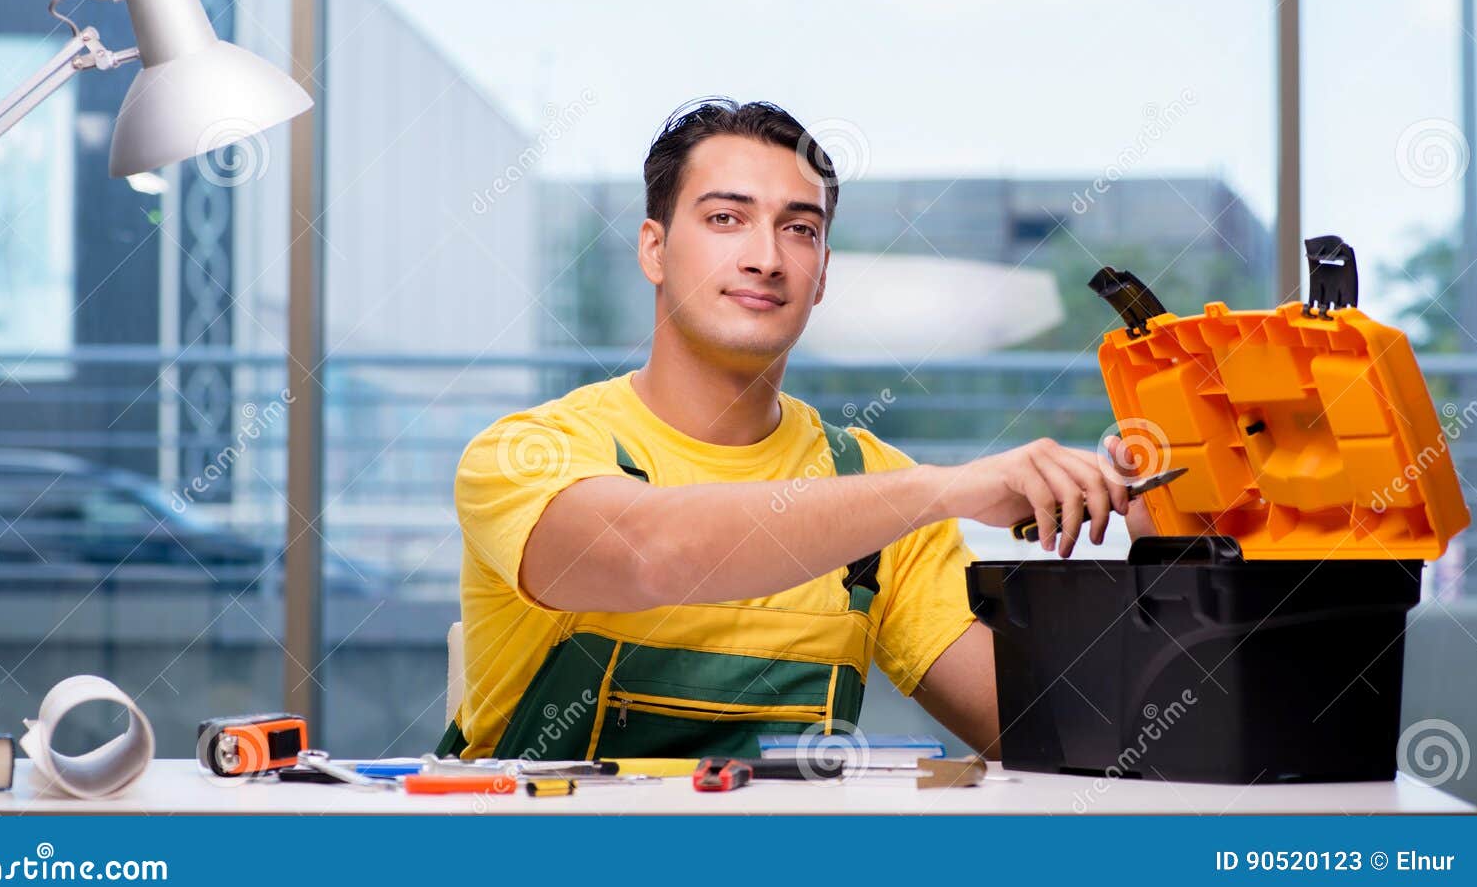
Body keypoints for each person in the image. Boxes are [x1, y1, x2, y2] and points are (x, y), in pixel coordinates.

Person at [438, 97, 1151, 762]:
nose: (766, 258)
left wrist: (1169, 554)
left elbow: (1059, 737)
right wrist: (948, 489)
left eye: (799, 229)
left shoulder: (873, 486)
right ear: (653, 250)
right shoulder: (531, 454)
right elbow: (647, 552)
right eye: (725, 219)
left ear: (823, 274)